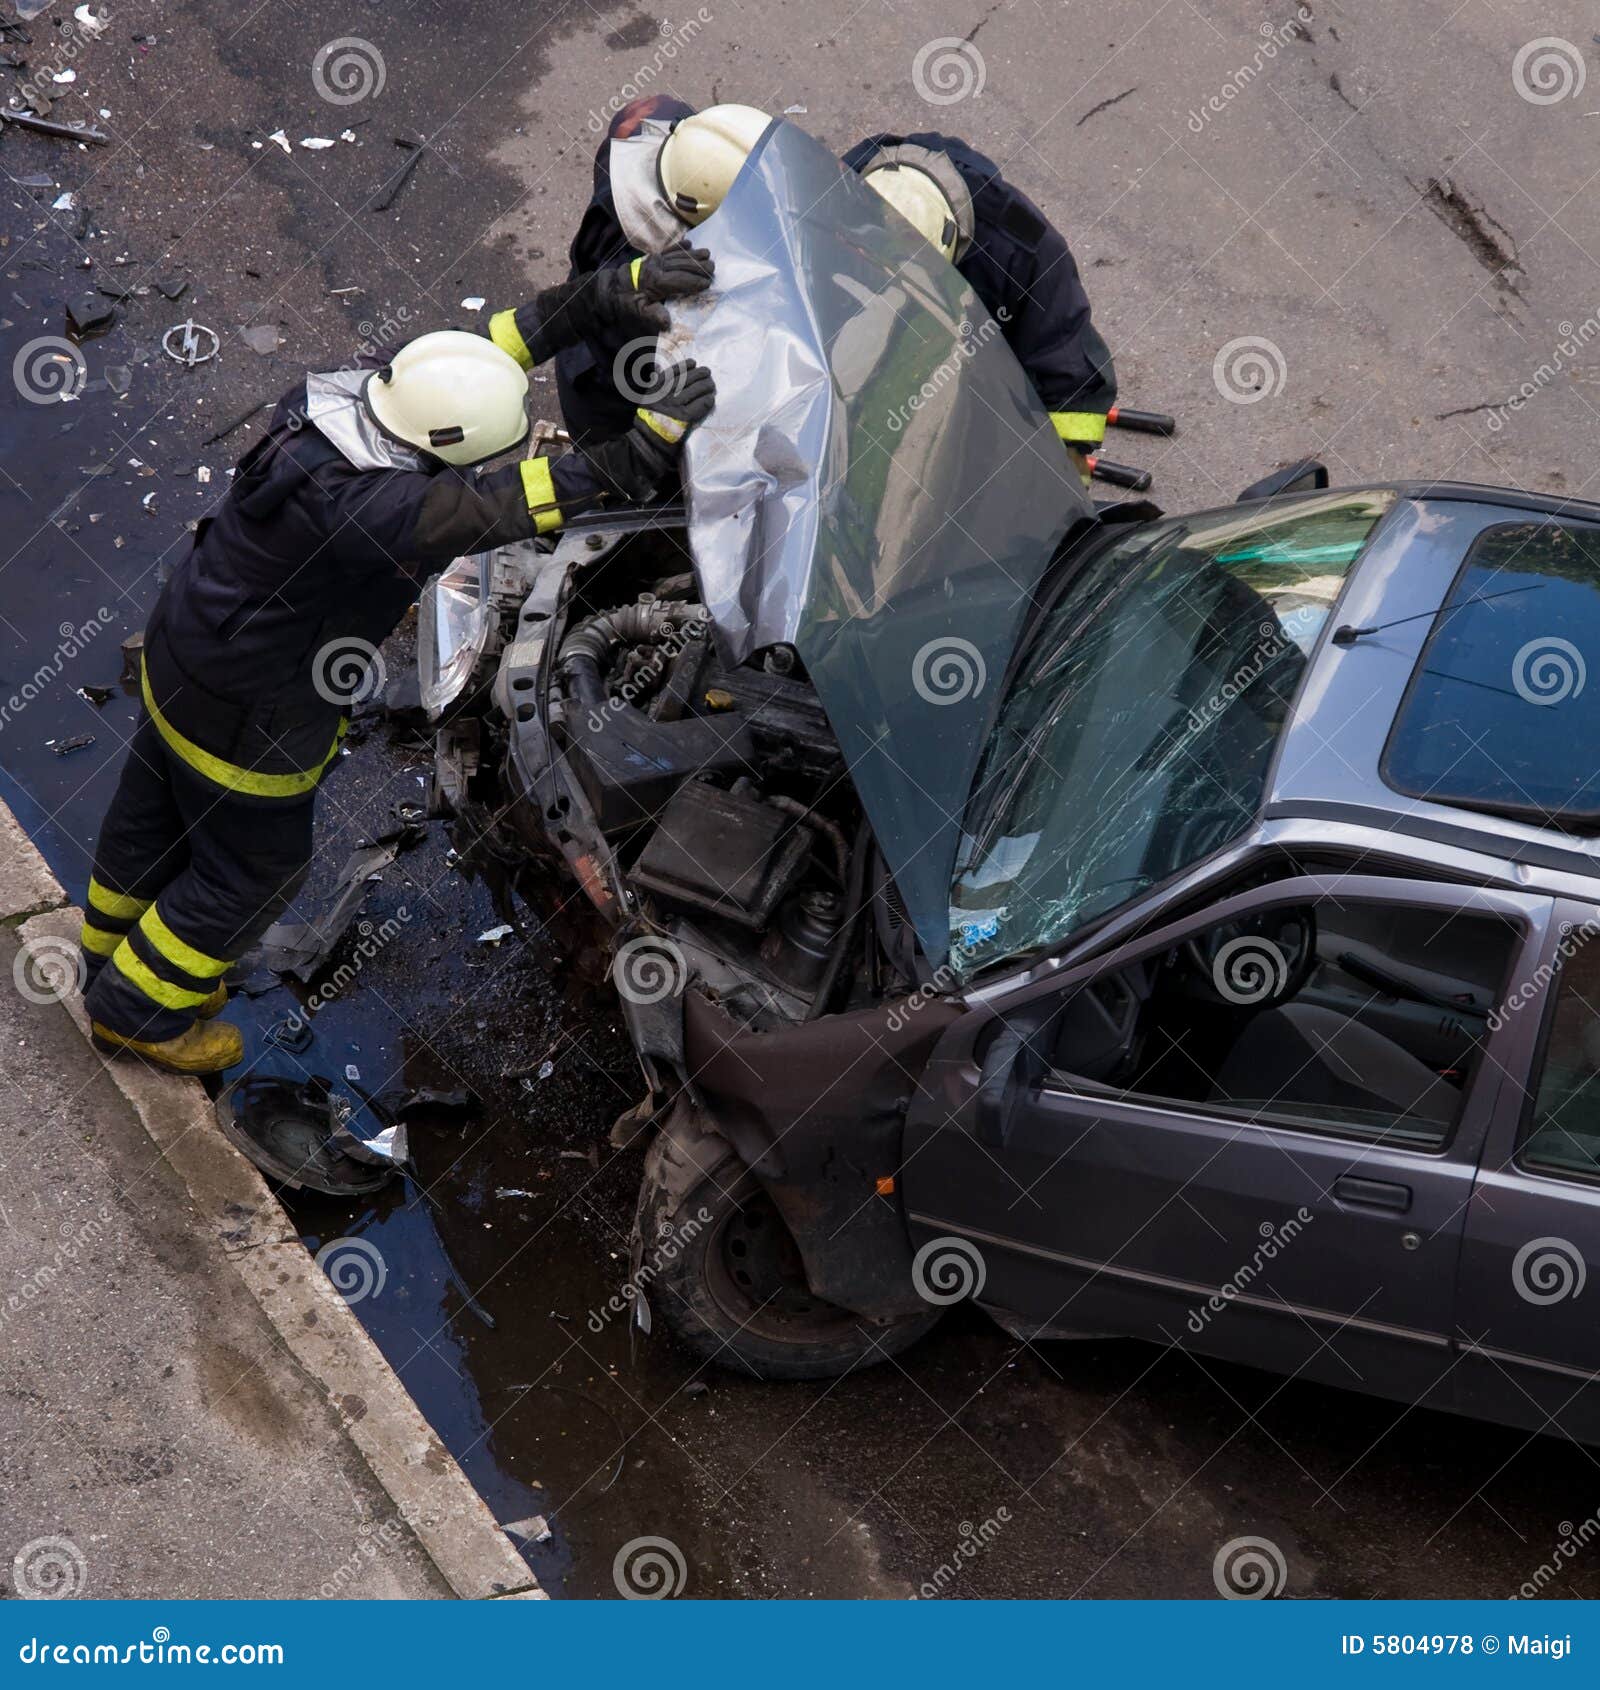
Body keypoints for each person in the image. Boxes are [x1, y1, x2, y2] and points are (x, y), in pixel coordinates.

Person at [80, 267, 716, 1077]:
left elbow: (473, 360)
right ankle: (137, 1013)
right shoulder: (379, 512)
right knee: (253, 873)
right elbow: (503, 507)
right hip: (249, 710)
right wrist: (644, 447)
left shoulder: (347, 400)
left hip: (187, 646)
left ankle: (113, 961)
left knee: (153, 818)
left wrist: (594, 296)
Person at [558, 100, 1117, 478]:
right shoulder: (622, 269)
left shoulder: (1021, 250)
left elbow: (1067, 362)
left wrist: (1063, 469)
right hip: (618, 385)